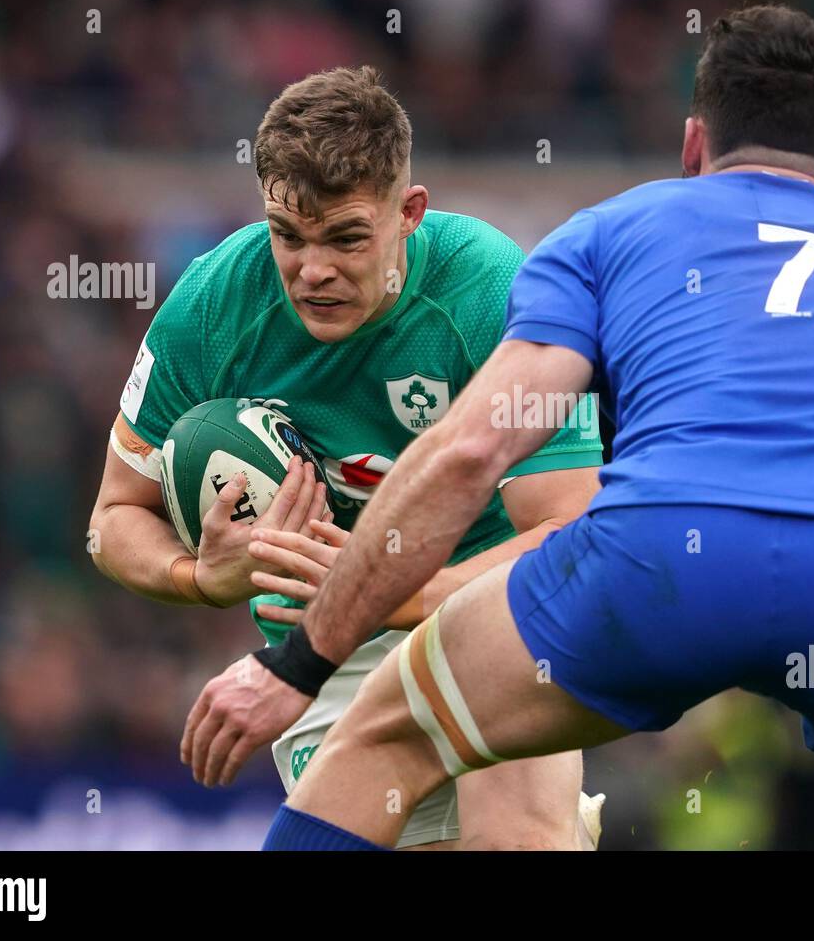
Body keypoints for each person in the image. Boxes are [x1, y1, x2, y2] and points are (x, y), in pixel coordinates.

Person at [190, 5, 814, 852]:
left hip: (665, 555)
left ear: (693, 146)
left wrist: (302, 662)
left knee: (381, 737)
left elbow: (473, 449)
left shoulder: (608, 234)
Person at [90, 66, 605, 850]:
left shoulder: (492, 289)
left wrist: (386, 591)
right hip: (320, 650)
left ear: (410, 214)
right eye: (287, 236)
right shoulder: (213, 303)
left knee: (516, 841)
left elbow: (571, 535)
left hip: (486, 603)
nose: (313, 270)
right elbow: (113, 517)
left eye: (346, 237)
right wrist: (196, 577)